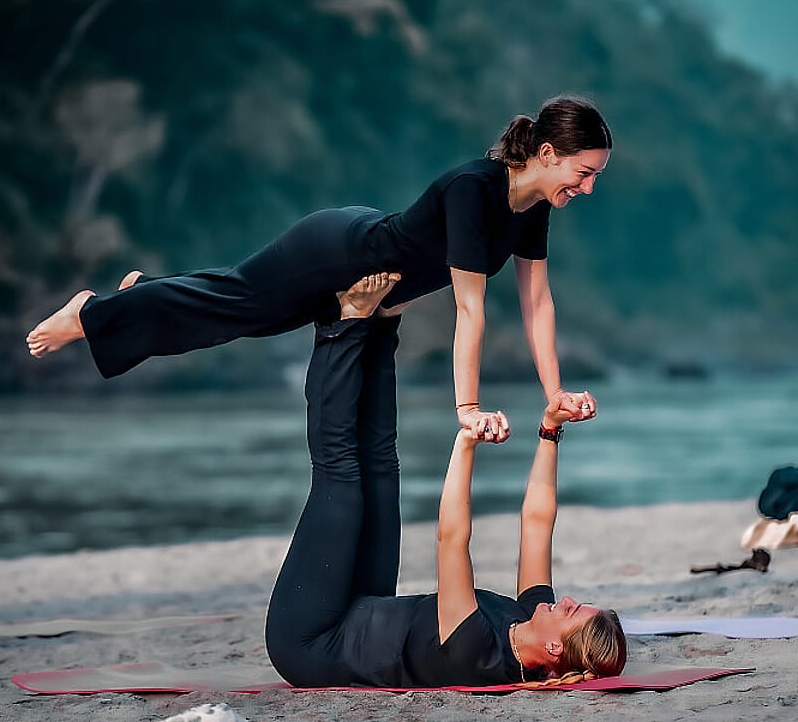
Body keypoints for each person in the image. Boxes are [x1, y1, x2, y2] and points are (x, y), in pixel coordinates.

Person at [25, 95, 611, 439]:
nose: (586, 188)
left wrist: (554, 393)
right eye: (582, 173)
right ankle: (93, 310)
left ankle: (145, 293)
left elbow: (538, 303)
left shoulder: (533, 206)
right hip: (337, 252)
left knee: (240, 312)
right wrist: (467, 409)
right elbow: (468, 306)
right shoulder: (473, 190)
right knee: (240, 304)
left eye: (595, 178)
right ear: (546, 154)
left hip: (362, 279)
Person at [263, 274, 626, 688]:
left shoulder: (476, 653)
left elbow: (451, 538)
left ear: (555, 650)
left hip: (312, 641)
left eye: (570, 611)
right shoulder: (531, 619)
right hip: (363, 605)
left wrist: (467, 440)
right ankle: (381, 325)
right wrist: (550, 429)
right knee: (382, 472)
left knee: (343, 482)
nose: (564, 601)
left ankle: (341, 325)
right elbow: (537, 521)